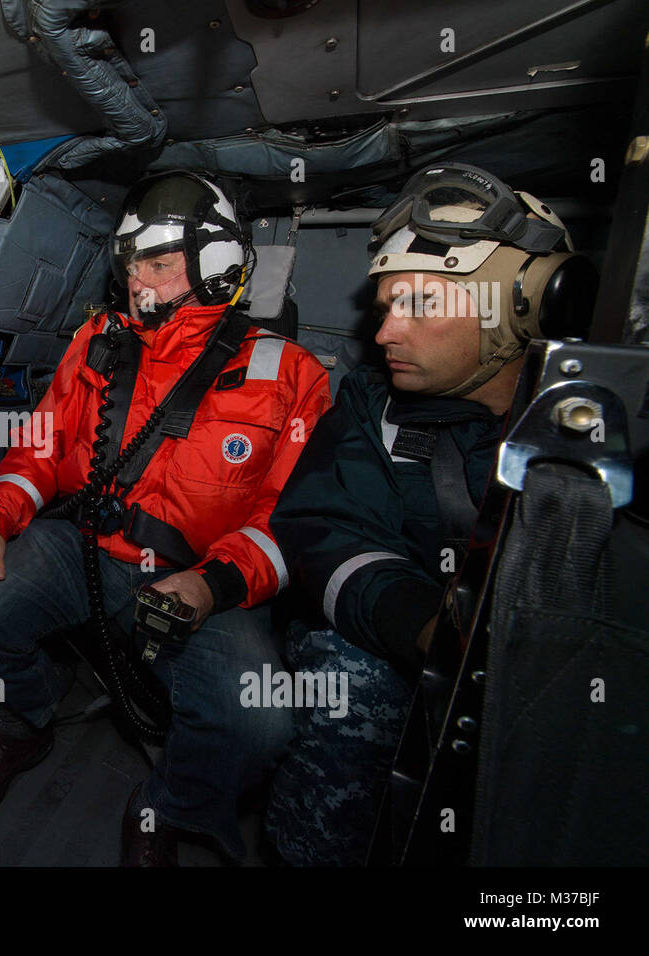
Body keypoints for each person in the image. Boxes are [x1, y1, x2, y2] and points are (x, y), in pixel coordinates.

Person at [0, 170, 331, 865]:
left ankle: (170, 802)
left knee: (258, 721)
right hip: (83, 546)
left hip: (201, 583)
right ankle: (23, 725)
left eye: (158, 262)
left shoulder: (293, 376)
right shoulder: (98, 341)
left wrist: (213, 586)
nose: (138, 282)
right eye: (131, 265)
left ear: (218, 266)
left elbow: (289, 520)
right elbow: (41, 446)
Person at [263, 162, 598, 865]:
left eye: (418, 305)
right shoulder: (371, 403)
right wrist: (422, 622)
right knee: (347, 673)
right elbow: (323, 529)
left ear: (520, 307)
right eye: (384, 308)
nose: (385, 334)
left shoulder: (599, 430)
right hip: (409, 640)